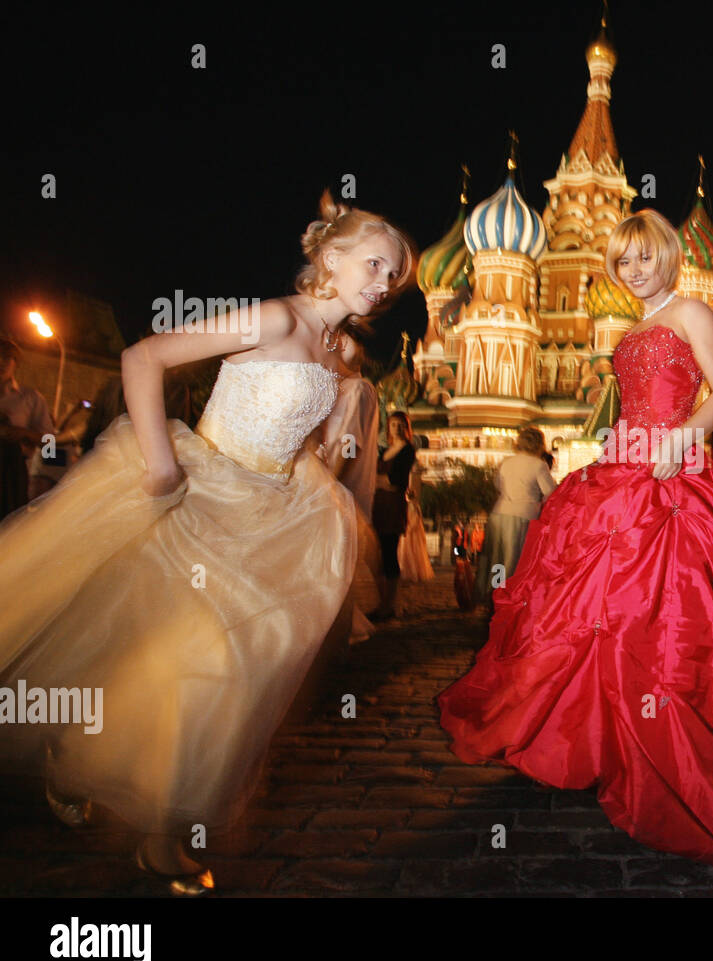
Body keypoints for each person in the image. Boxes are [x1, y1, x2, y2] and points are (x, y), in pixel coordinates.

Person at [0, 190, 413, 894]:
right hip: (198, 496)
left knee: (220, 669)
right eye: (374, 265)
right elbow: (143, 356)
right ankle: (77, 759)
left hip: (270, 510)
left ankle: (154, 823)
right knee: (137, 641)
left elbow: (300, 433)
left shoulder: (337, 349)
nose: (381, 284)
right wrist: (161, 462)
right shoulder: (275, 316)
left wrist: (310, 480)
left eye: (393, 277)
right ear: (332, 257)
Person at [439, 210, 713, 868]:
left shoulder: (691, 312)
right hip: (622, 470)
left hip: (675, 478)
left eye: (644, 257)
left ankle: (668, 759)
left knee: (660, 623)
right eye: (622, 262)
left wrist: (685, 435)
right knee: (594, 619)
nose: (634, 271)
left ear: (667, 255)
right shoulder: (634, 327)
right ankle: (604, 746)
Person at [320, 332, 383, 642]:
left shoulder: (356, 388)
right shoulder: (344, 387)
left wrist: (328, 479)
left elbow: (348, 440)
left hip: (339, 481)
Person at [474, 425, 555, 609]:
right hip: (523, 515)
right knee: (515, 558)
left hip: (500, 513)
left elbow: (497, 485)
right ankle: (510, 595)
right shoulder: (538, 465)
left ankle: (494, 591)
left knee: (498, 558)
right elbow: (551, 492)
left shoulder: (507, 462)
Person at [0, 336, 56, 517]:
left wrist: (23, 433)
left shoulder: (30, 398)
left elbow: (50, 444)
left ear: (16, 363)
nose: (1, 363)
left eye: (7, 358)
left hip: (10, 475)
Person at [371, 411, 416, 621]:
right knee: (378, 551)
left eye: (401, 425)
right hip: (379, 503)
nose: (397, 428)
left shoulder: (407, 451)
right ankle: (379, 599)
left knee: (389, 551)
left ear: (406, 429)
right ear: (388, 427)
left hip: (392, 505)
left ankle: (390, 602)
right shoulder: (385, 450)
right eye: (393, 424)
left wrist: (379, 481)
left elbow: (395, 481)